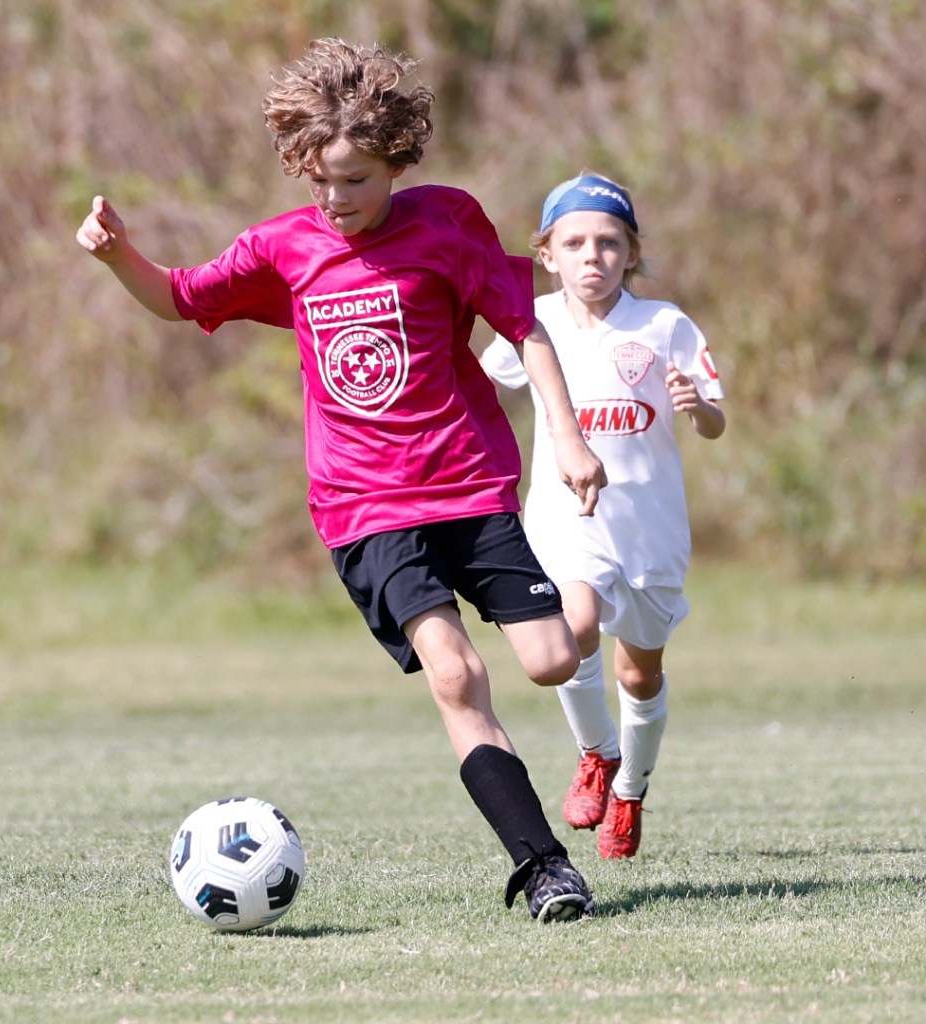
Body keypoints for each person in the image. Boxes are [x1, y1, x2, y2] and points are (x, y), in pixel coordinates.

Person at [76, 39, 608, 920]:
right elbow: (179, 297)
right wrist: (116, 256)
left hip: (469, 483)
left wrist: (570, 438)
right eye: (320, 180)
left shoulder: (448, 222)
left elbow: (527, 330)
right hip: (364, 507)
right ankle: (545, 867)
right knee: (454, 675)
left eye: (356, 179)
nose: (336, 199)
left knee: (554, 661)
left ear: (397, 161)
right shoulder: (283, 248)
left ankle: (591, 602)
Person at [481, 172, 726, 860]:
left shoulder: (663, 325)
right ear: (547, 254)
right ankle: (596, 752)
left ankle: (631, 791)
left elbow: (714, 423)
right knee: (574, 626)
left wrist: (698, 408)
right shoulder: (531, 324)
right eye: (576, 242)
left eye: (609, 242)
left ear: (632, 253)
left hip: (649, 530)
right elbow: (477, 385)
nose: (593, 256)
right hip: (566, 521)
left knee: (637, 675)